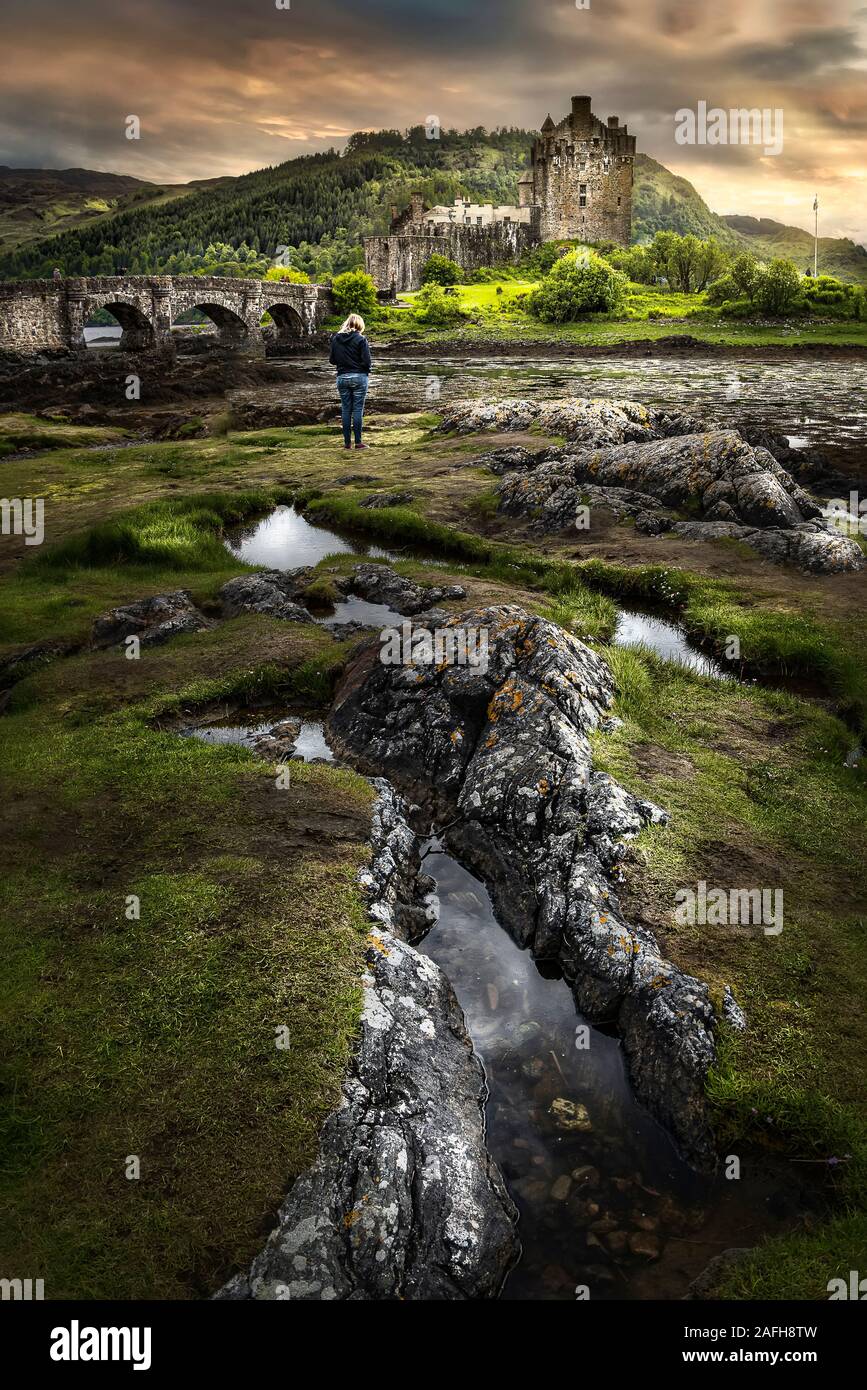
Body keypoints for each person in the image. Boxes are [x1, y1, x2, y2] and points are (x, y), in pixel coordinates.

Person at [329, 313, 372, 449]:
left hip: (342, 377)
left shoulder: (336, 339)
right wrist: (365, 370)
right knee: (358, 410)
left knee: (346, 410)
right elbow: (367, 362)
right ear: (360, 325)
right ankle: (358, 442)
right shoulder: (361, 339)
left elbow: (332, 360)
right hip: (359, 377)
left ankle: (347, 443)